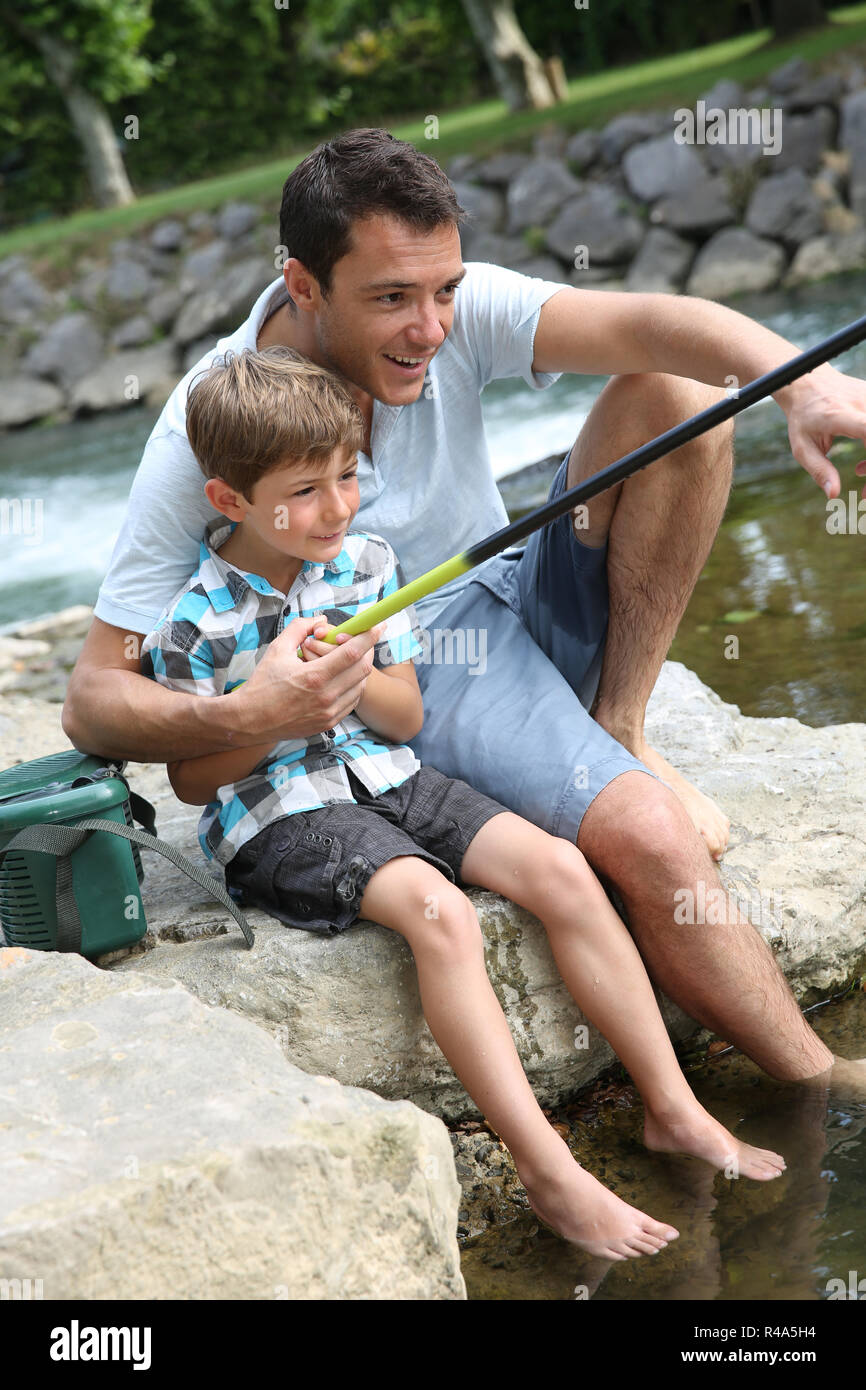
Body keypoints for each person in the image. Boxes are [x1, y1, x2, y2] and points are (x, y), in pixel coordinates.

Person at [63, 127, 866, 1098]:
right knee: (649, 833)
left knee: (681, 391)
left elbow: (656, 320)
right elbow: (95, 700)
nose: (429, 327)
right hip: (421, 667)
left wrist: (806, 382)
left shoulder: (446, 305)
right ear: (303, 285)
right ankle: (819, 1081)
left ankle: (620, 720)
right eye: (392, 298)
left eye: (442, 290)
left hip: (513, 581)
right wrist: (248, 714)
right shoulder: (214, 426)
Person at [140, 345, 787, 1260]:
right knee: (441, 914)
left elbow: (403, 716)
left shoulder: (364, 562)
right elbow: (193, 779)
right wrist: (281, 707)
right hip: (278, 812)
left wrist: (354, 678)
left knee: (563, 869)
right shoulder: (194, 621)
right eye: (306, 491)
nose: (337, 509)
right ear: (231, 502)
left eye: (347, 478)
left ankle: (672, 1109)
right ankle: (547, 1170)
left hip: (389, 772)